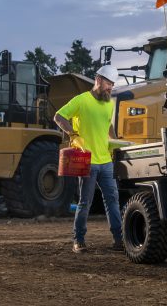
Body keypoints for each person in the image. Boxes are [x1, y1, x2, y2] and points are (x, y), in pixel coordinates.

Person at [54, 65, 123, 253]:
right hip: (87, 160)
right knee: (85, 202)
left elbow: (108, 125)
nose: (110, 88)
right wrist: (72, 134)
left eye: (112, 85)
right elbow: (58, 117)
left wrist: (115, 141)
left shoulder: (109, 103)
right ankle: (78, 240)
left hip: (106, 161)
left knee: (113, 201)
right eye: (108, 84)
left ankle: (119, 239)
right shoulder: (81, 100)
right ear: (98, 80)